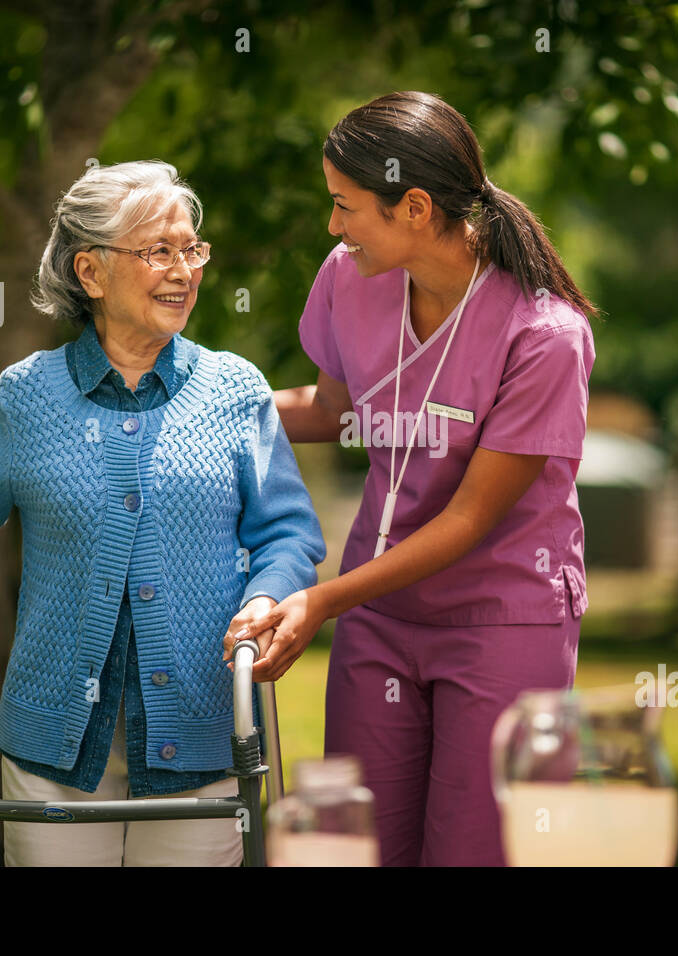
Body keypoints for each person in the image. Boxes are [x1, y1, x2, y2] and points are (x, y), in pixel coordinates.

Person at [0, 159, 325, 866]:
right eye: (158, 251)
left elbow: (288, 532)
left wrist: (266, 594)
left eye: (191, 249)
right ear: (90, 273)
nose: (183, 270)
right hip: (51, 742)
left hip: (202, 731)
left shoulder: (235, 390)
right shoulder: (28, 395)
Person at [225, 92, 597, 866]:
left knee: (471, 849)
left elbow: (467, 521)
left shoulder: (546, 336)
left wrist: (323, 599)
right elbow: (331, 407)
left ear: (416, 207)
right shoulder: (349, 277)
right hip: (379, 612)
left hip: (502, 615)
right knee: (357, 847)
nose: (333, 226)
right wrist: (206, 410)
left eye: (345, 206)